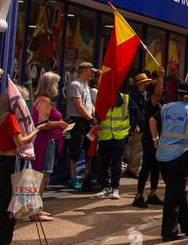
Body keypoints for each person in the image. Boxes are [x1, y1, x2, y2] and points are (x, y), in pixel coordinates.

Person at [0, 88, 44, 245]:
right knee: (11, 206)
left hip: (2, 161)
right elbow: (20, 141)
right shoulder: (10, 118)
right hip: (11, 162)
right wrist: (35, 131)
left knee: (1, 202)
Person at [153, 78, 188, 241]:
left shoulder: (166, 107)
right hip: (180, 155)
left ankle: (187, 224)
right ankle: (169, 231)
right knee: (173, 195)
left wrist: (155, 138)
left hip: (162, 155)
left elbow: (152, 120)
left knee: (177, 190)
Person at [28, 71, 64, 221]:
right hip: (45, 142)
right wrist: (61, 124)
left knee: (42, 175)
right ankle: (35, 211)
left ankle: (38, 208)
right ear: (50, 86)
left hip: (47, 141)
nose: (57, 87)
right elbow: (41, 124)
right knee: (41, 176)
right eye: (56, 84)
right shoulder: (44, 101)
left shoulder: (42, 100)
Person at [92, 78, 132, 200]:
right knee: (104, 163)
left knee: (116, 163)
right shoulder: (102, 99)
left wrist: (130, 129)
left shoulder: (125, 98)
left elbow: (134, 113)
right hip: (105, 135)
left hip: (119, 135)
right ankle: (106, 187)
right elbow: (98, 115)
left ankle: (115, 188)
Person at [64, 61, 97, 190]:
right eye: (91, 71)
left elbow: (88, 103)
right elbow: (78, 105)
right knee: (76, 148)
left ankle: (88, 175)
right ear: (84, 70)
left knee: (89, 147)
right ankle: (73, 177)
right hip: (78, 120)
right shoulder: (75, 84)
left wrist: (95, 115)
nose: (92, 74)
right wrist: (90, 118)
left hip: (88, 120)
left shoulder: (86, 85)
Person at [133, 79, 164, 208]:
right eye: (159, 88)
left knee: (156, 168)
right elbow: (157, 93)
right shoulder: (152, 101)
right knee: (146, 167)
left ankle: (152, 194)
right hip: (150, 139)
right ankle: (138, 196)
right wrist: (161, 75)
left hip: (156, 140)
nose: (161, 90)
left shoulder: (157, 102)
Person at [124, 72, 151, 180]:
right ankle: (134, 170)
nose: (145, 85)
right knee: (137, 149)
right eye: (144, 83)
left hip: (143, 124)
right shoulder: (133, 96)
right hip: (138, 125)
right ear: (139, 85)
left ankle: (131, 168)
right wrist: (135, 125)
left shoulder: (143, 94)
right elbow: (133, 111)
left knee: (137, 148)